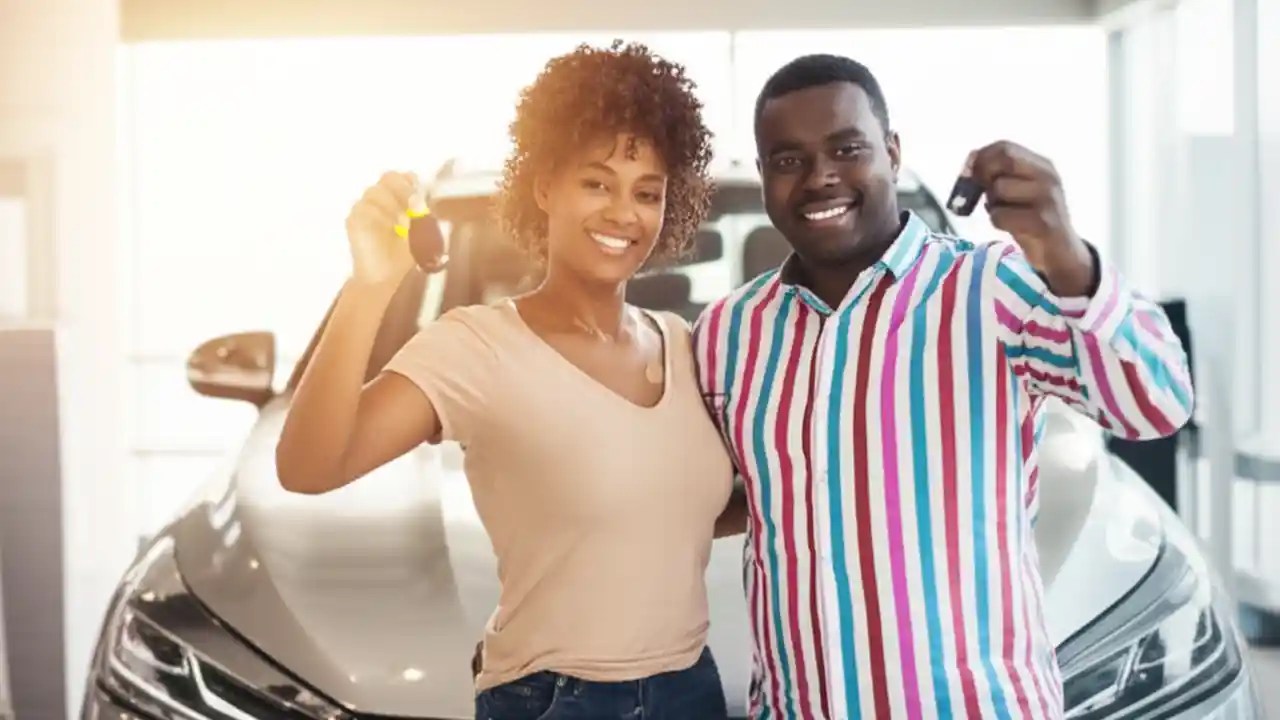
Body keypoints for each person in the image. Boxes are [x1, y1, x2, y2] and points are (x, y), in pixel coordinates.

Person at [692, 54, 1194, 719]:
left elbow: (1156, 404)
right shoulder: (729, 334)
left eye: (847, 148)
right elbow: (702, 497)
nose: (821, 177)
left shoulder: (993, 290)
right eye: (788, 160)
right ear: (764, 177)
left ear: (892, 153)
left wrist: (1066, 254)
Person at [276, 41, 744, 719]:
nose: (623, 213)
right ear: (545, 185)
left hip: (692, 688)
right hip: (557, 701)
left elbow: (688, 509)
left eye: (647, 193)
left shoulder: (684, 346)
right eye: (596, 182)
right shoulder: (477, 347)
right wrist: (370, 286)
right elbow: (309, 466)